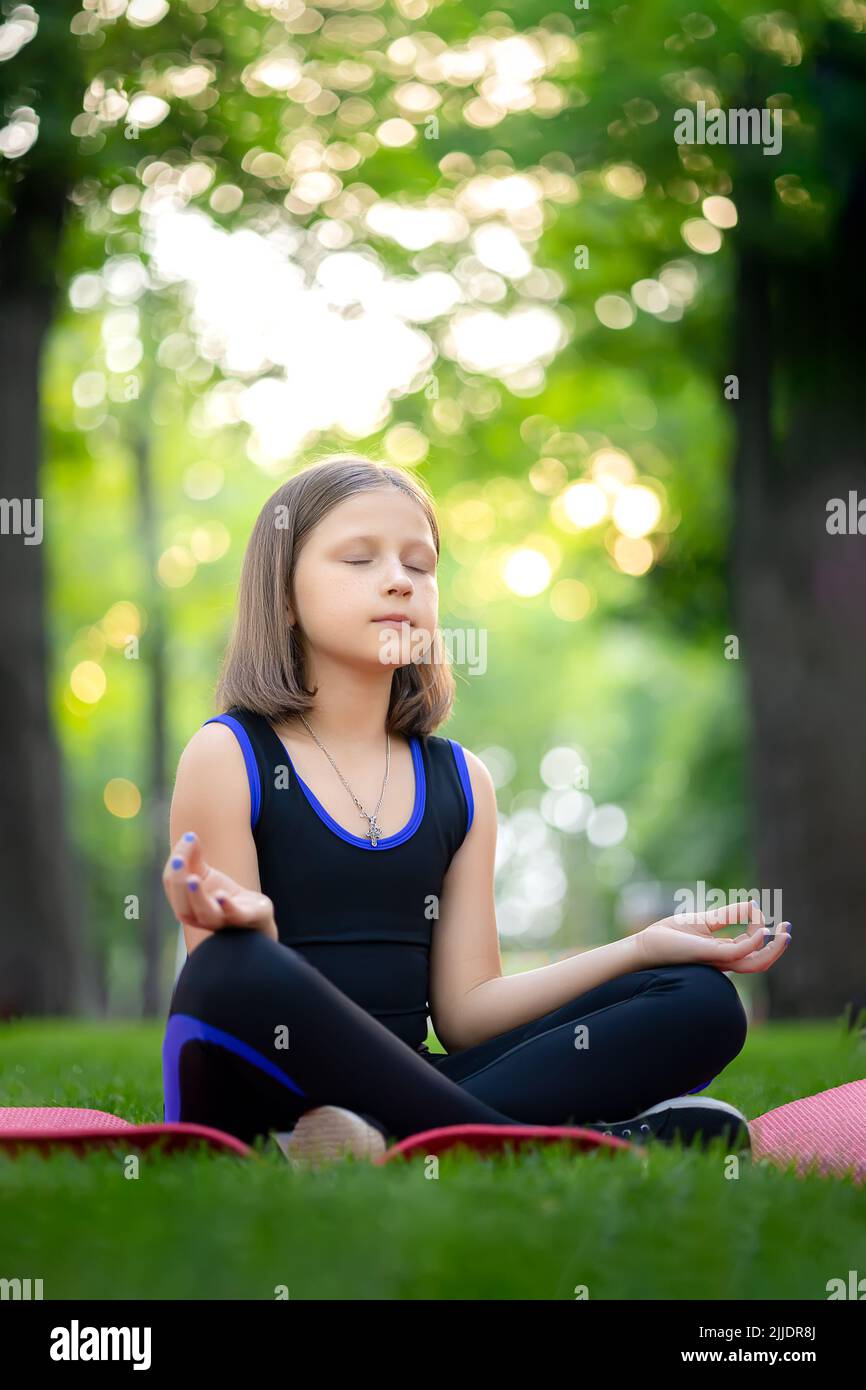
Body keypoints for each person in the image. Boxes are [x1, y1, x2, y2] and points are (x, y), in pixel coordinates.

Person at [161, 454, 791, 1163]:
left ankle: (392, 1142)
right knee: (235, 968)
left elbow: (466, 1016)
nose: (399, 579)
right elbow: (238, 1005)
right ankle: (551, 1140)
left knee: (699, 1000)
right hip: (263, 1079)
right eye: (359, 559)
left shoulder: (460, 780)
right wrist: (258, 933)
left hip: (408, 1083)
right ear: (282, 596)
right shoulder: (228, 754)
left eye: (420, 566)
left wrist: (640, 949)